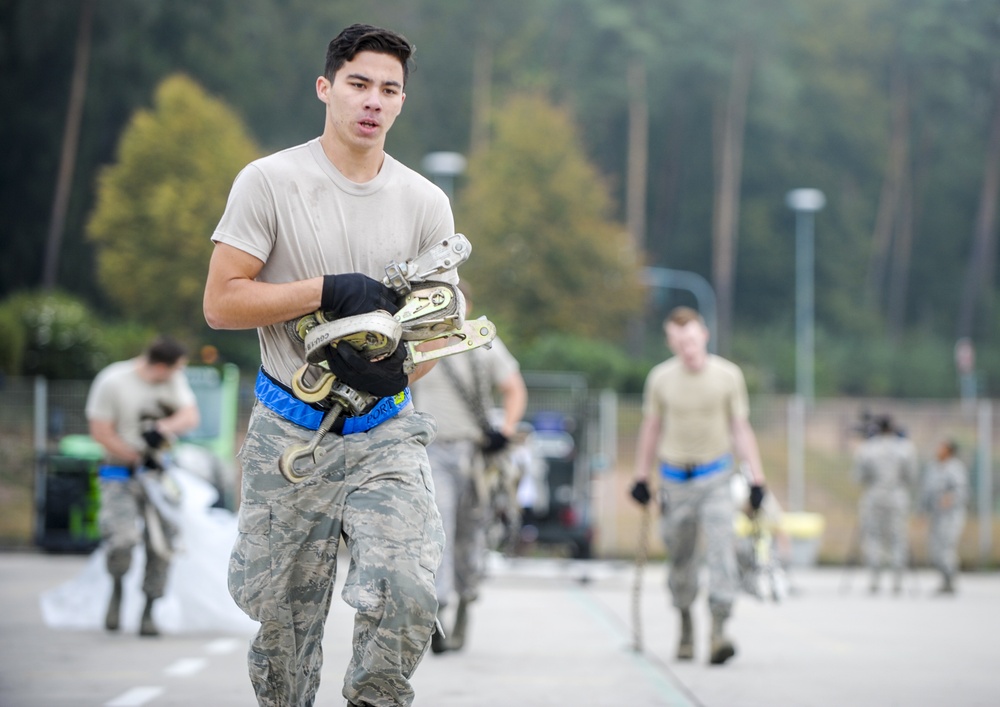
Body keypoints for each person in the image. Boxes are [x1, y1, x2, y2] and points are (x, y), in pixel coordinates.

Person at [203, 24, 456, 707]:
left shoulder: (426, 202)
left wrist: (397, 371)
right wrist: (324, 290)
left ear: (403, 101)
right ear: (326, 87)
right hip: (292, 435)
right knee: (285, 627)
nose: (373, 101)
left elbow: (438, 332)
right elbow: (222, 303)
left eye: (389, 89)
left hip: (385, 433)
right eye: (359, 83)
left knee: (407, 588)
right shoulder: (270, 182)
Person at [629, 306, 766, 665]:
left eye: (691, 339)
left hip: (717, 477)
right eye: (678, 342)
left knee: (722, 551)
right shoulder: (661, 378)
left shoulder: (727, 376)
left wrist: (757, 478)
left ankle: (719, 630)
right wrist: (641, 477)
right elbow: (651, 427)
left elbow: (740, 428)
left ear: (703, 335)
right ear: (670, 342)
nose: (686, 348)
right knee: (681, 558)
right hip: (675, 482)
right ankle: (686, 622)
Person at [410, 282, 527, 654]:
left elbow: (514, 387)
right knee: (438, 528)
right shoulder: (422, 341)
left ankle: (465, 605)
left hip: (474, 455)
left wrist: (505, 429)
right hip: (434, 450)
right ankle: (440, 609)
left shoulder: (482, 342)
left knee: (471, 535)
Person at [85, 335, 200, 637]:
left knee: (162, 543)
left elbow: (189, 415)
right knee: (122, 539)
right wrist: (134, 455)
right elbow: (100, 430)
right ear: (161, 366)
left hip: (157, 475)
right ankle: (117, 586)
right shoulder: (112, 381)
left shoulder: (173, 381)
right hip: (118, 473)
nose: (178, 374)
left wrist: (161, 429)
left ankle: (149, 608)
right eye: (175, 368)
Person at [852, 415, 918, 594]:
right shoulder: (906, 449)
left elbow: (858, 477)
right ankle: (897, 580)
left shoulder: (867, 448)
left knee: (873, 536)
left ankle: (875, 579)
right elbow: (911, 476)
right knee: (898, 537)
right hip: (898, 496)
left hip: (874, 496)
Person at [920, 438, 968, 595]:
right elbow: (926, 491)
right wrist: (922, 511)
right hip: (936, 515)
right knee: (935, 548)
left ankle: (950, 580)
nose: (938, 450)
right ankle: (944, 579)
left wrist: (950, 498)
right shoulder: (933, 468)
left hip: (951, 515)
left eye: (942, 447)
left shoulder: (955, 468)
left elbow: (961, 491)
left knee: (947, 547)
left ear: (949, 451)